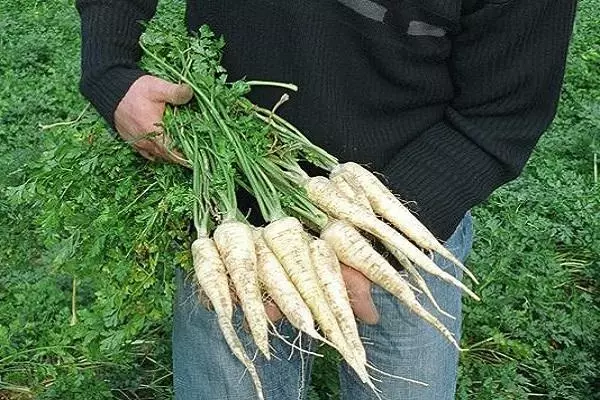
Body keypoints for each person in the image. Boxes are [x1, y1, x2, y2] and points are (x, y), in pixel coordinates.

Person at [75, 1, 576, 399]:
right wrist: (110, 70)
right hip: (229, 221)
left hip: (405, 222)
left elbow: (500, 115)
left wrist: (377, 238)